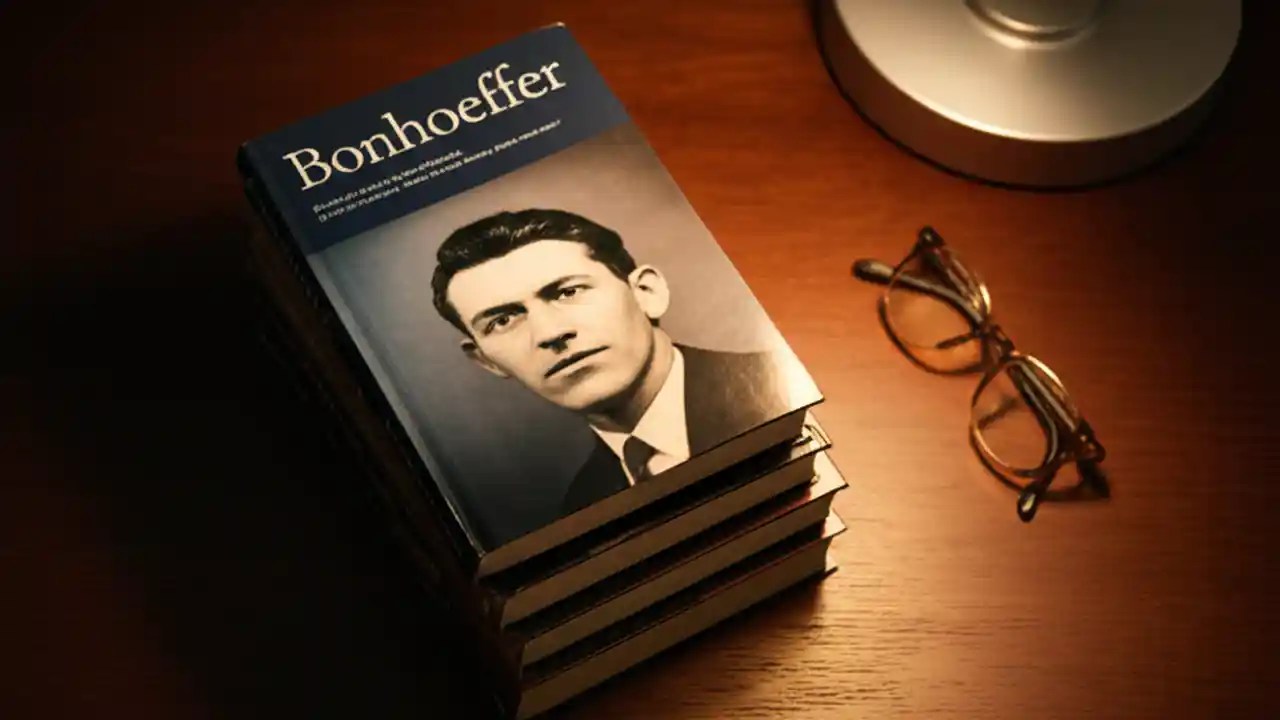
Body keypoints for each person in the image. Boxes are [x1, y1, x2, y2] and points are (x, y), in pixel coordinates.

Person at [431, 208, 789, 515]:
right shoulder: (583, 506)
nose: (549, 332)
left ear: (646, 293)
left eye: (568, 292)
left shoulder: (784, 391)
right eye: (503, 321)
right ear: (487, 362)